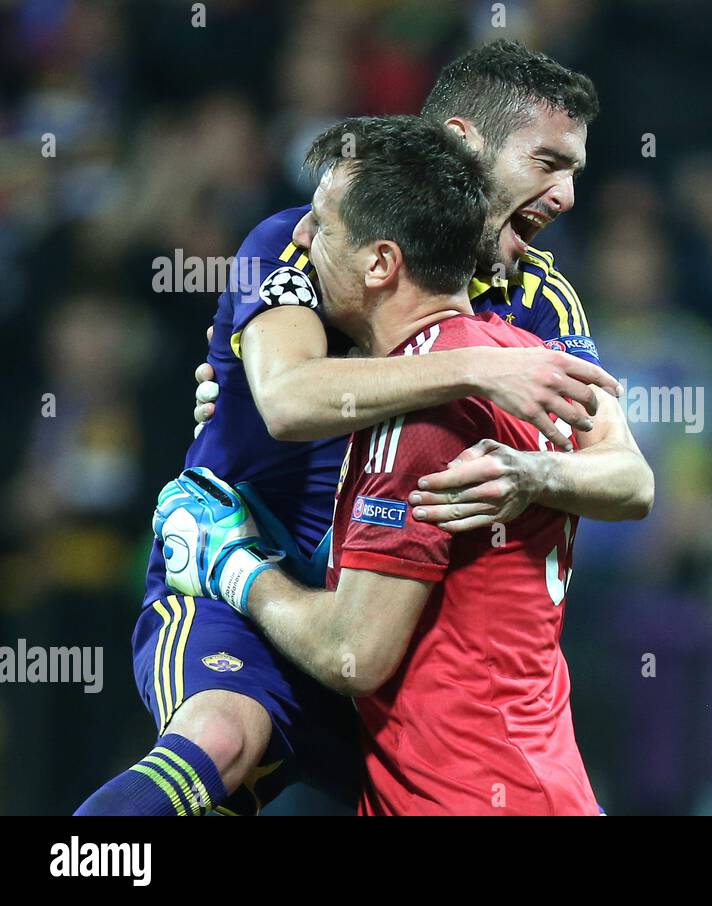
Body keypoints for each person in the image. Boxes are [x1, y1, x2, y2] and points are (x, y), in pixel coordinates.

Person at [76, 40, 652, 817]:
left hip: (395, 632)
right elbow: (286, 397)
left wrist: (535, 476)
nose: (569, 194)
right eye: (549, 162)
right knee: (224, 739)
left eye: (576, 168)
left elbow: (631, 478)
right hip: (240, 573)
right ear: (464, 141)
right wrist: (474, 368)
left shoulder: (544, 302)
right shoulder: (308, 237)